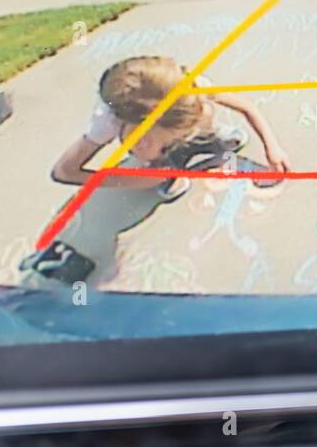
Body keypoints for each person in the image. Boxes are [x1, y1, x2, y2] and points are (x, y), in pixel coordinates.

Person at [24, 56, 290, 283]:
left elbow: (246, 107)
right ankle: (160, 161)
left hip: (166, 124)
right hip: (143, 143)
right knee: (152, 150)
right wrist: (136, 180)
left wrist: (272, 148)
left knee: (204, 113)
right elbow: (64, 171)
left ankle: (205, 137)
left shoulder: (190, 89)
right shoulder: (106, 121)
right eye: (170, 139)